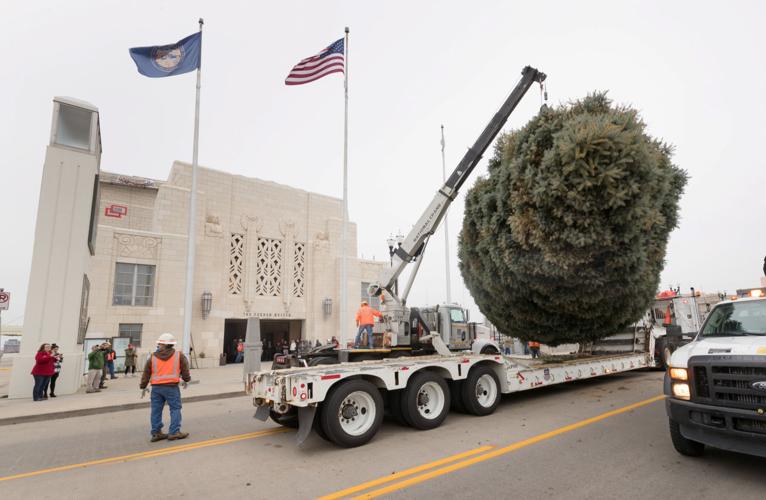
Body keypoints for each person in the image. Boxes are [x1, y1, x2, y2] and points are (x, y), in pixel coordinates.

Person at [140, 332, 191, 442]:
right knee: (175, 408)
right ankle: (174, 432)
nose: (158, 345)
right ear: (171, 344)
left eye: (159, 343)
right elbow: (185, 369)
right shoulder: (178, 355)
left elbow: (146, 372)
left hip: (156, 388)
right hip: (171, 387)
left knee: (156, 410)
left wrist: (143, 386)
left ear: (163, 344)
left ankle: (156, 433)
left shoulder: (152, 357)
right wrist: (186, 379)